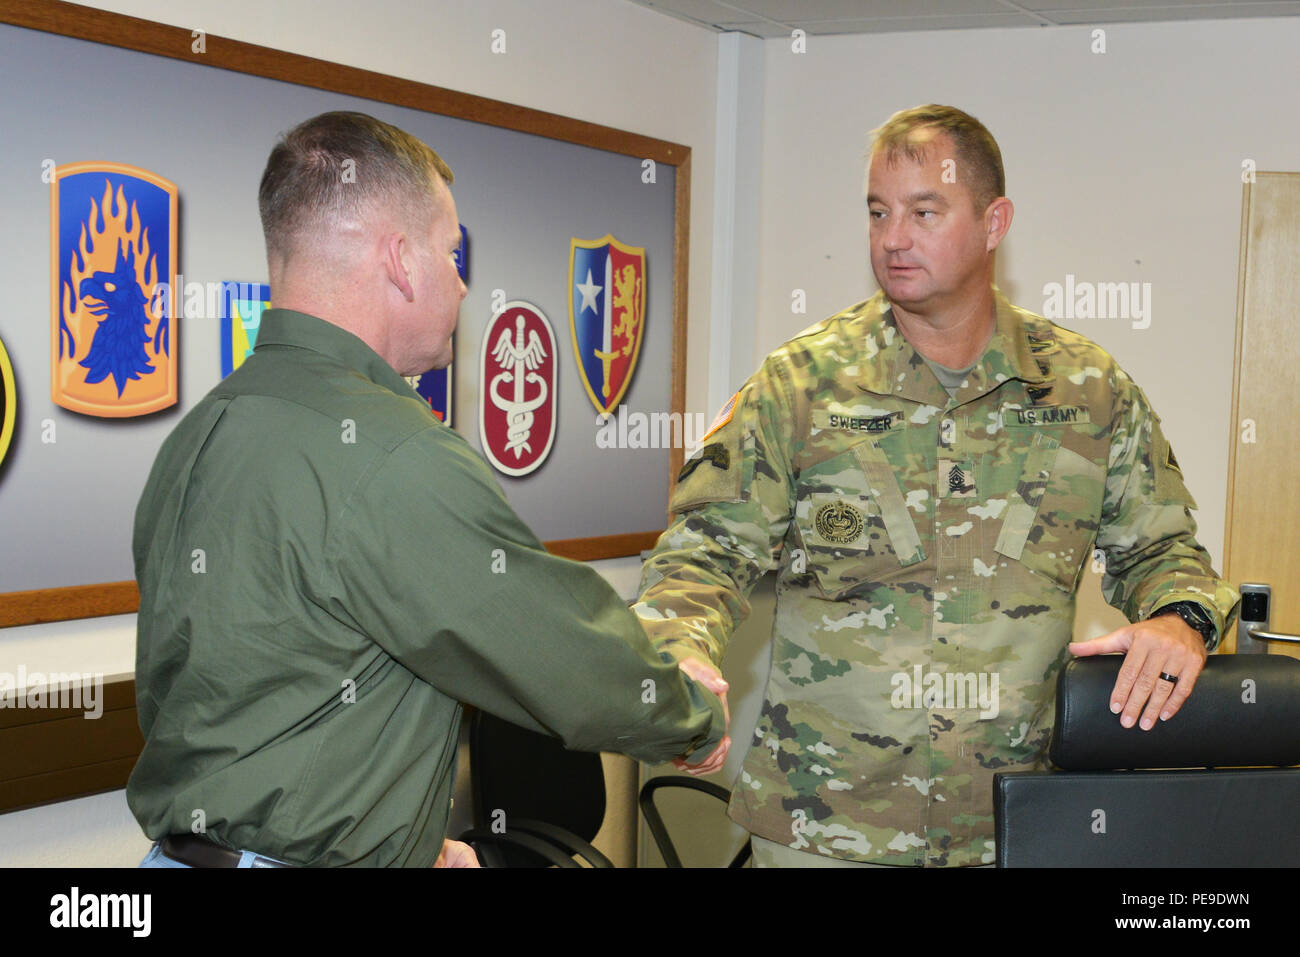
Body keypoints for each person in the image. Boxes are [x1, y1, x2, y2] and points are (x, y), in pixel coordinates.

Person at [633, 104, 1239, 867]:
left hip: (1017, 823)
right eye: (879, 212)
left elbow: (1166, 550)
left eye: (925, 211)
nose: (893, 238)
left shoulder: (1085, 390)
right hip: (825, 830)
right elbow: (700, 554)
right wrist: (679, 645)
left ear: (994, 222)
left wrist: (1182, 618)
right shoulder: (803, 385)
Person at [128, 111, 727, 868]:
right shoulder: (391, 451)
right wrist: (691, 713)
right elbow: (553, 650)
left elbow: (247, 693)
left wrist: (399, 837)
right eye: (451, 251)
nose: (461, 279)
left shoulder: (200, 433)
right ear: (402, 261)